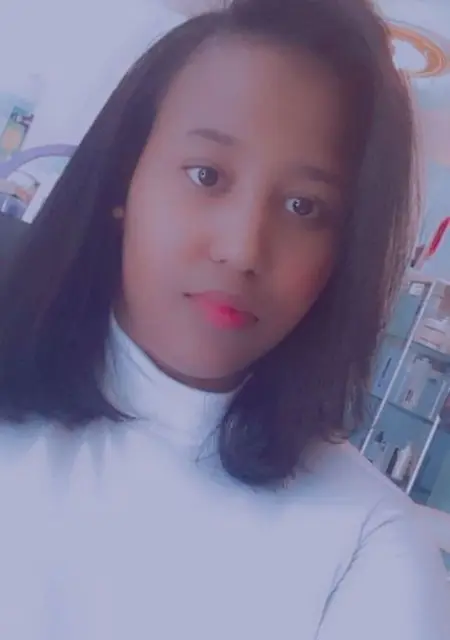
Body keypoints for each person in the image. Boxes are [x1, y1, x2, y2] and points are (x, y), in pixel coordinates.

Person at [0, 0, 448, 638]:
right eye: (206, 175)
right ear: (125, 179)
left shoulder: (370, 548)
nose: (242, 249)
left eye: (304, 206)